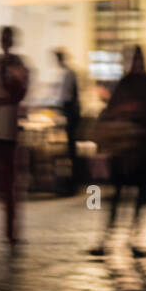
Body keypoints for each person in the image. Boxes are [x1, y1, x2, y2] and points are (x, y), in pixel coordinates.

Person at [89, 45, 146, 257]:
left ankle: (132, 239)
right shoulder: (127, 83)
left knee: (138, 197)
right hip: (125, 150)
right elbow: (113, 109)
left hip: (143, 149)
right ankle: (109, 239)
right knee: (119, 196)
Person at [0, 26, 30, 246]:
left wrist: (1, 98)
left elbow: (18, 92)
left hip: (7, 129)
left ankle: (10, 232)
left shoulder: (16, 64)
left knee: (9, 184)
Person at [51, 49, 82, 194]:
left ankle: (73, 183)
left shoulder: (68, 74)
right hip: (71, 113)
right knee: (70, 149)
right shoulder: (69, 73)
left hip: (71, 113)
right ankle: (73, 182)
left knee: (71, 149)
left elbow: (66, 96)